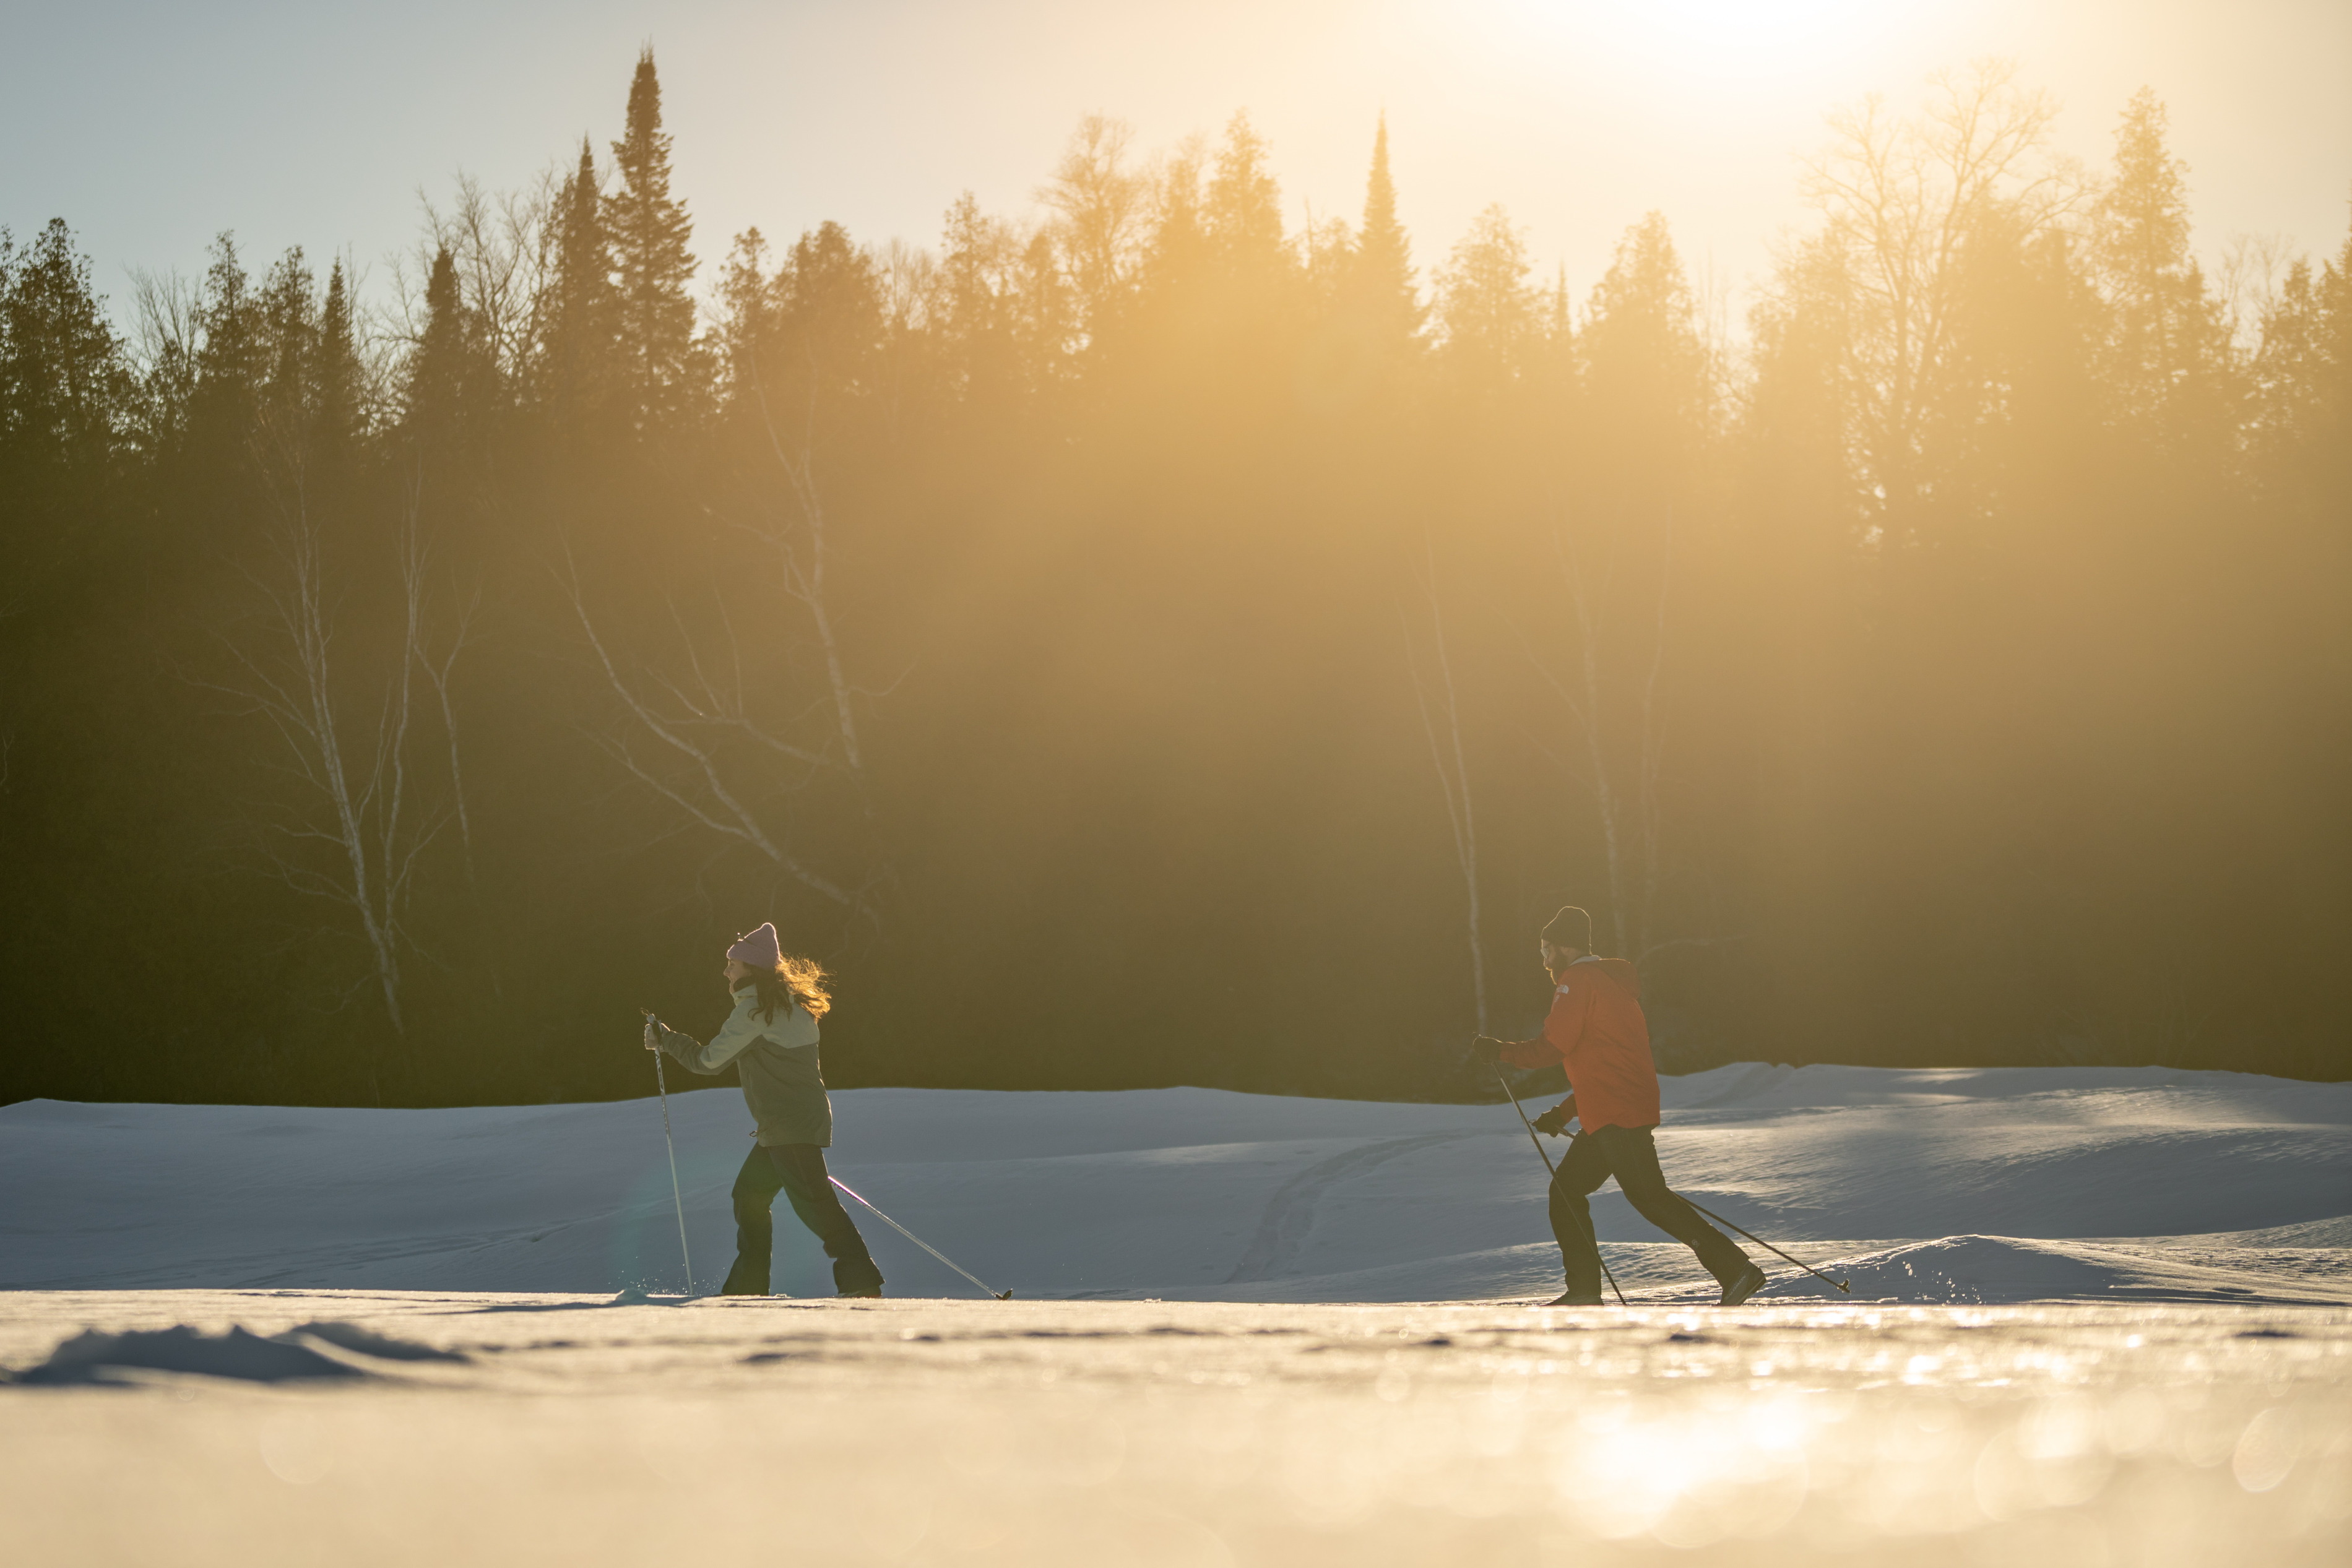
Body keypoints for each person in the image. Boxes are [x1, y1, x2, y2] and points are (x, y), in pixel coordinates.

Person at [1474, 905, 1766, 1307]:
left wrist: (1500, 1052)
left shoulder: (1577, 981)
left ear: (1564, 947)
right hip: (1613, 1110)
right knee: (1567, 1191)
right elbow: (1605, 1064)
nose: (1543, 959)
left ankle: (1735, 1270)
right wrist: (1563, 1114)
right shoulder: (1610, 985)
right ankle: (1583, 1291)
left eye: (1546, 950)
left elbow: (1552, 1047)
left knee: (1650, 1198)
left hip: (1617, 1114)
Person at [644, 923, 884, 1298]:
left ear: (752, 970)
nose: (726, 971)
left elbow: (708, 1062)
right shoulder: (787, 1006)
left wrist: (668, 1040)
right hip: (789, 1123)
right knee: (750, 1196)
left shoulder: (754, 1014)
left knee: (815, 1204)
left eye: (733, 964)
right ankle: (747, 1287)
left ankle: (861, 1282)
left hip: (789, 1125)